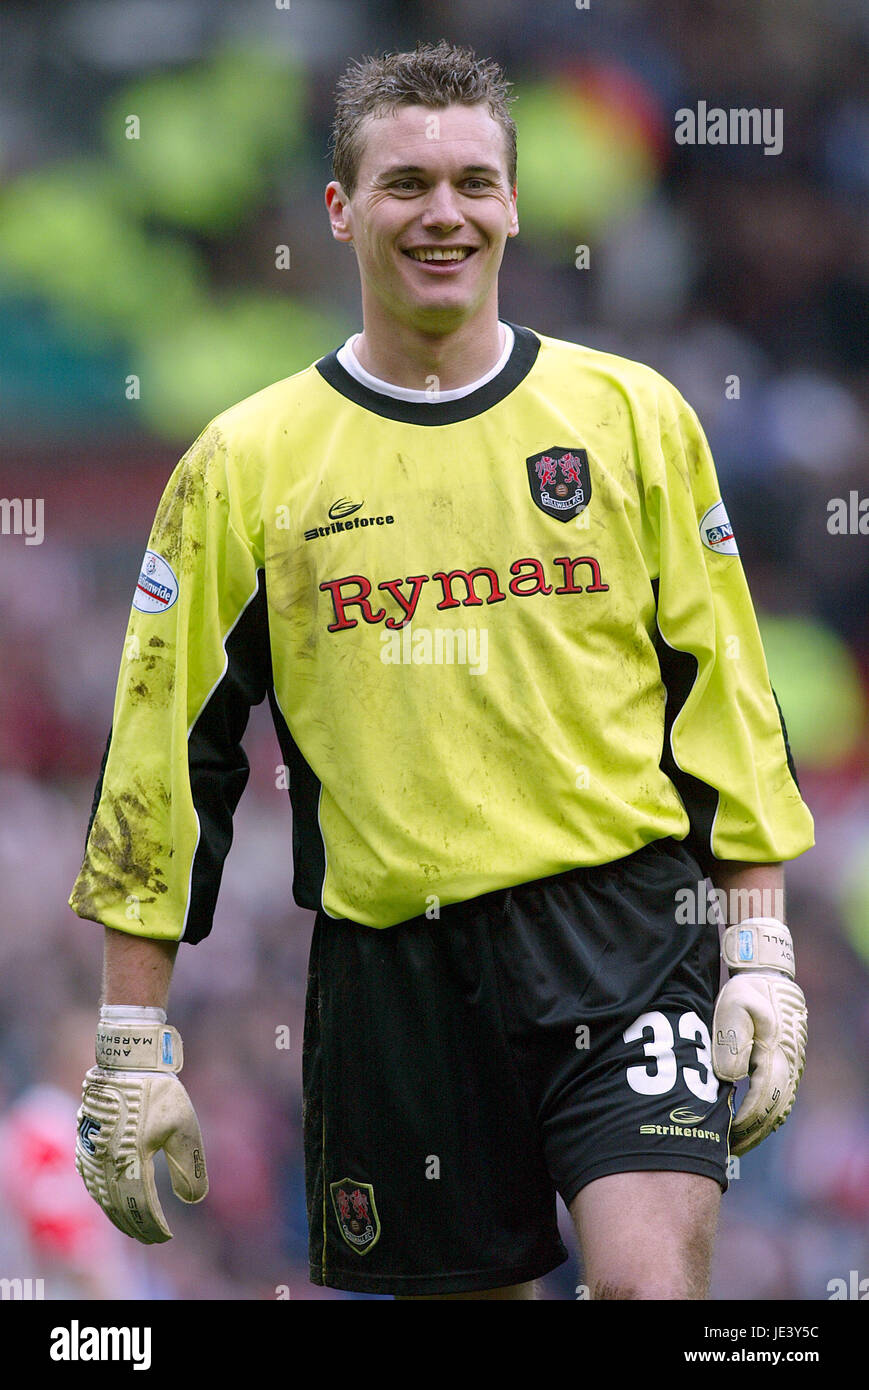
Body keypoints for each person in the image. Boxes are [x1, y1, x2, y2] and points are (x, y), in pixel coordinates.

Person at [69, 40, 813, 1301]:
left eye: (473, 181)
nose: (443, 213)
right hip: (389, 969)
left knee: (647, 1282)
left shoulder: (630, 418)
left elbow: (723, 697)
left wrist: (760, 945)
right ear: (341, 209)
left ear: (515, 205)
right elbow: (164, 760)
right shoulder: (242, 465)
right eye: (405, 182)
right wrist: (131, 1039)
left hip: (622, 932)